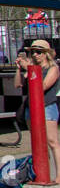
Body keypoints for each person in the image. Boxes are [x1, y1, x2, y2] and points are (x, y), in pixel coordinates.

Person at [15, 39, 60, 179]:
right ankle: (41, 174)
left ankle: (59, 175)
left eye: (38, 52)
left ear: (46, 54)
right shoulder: (31, 69)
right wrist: (19, 69)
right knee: (37, 141)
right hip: (31, 107)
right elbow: (18, 85)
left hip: (47, 106)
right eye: (32, 52)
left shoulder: (53, 69)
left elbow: (43, 86)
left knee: (52, 141)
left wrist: (29, 69)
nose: (35, 55)